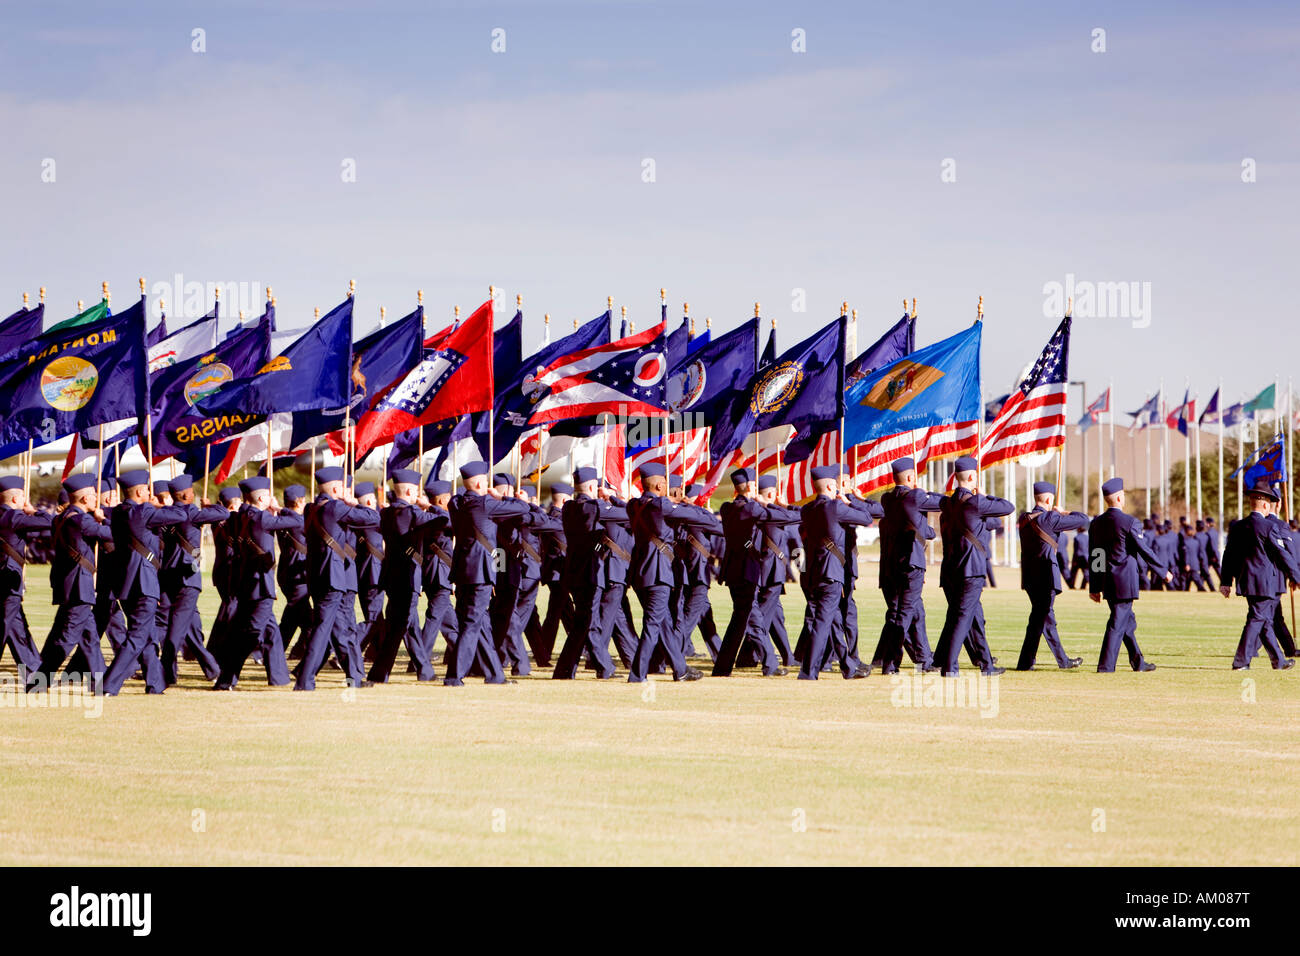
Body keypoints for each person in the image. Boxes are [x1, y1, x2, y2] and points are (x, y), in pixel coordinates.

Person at [100, 470, 191, 696]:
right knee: (138, 637)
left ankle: (155, 684)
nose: (151, 493)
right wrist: (161, 505)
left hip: (126, 583)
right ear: (141, 491)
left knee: (148, 636)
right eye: (148, 490)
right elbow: (180, 516)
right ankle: (108, 685)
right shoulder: (143, 511)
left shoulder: (119, 512)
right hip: (144, 582)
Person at [444, 462, 534, 686]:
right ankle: (454, 676)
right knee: (472, 623)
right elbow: (523, 509)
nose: (488, 485)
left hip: (462, 571)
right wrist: (502, 497)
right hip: (481, 572)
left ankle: (495, 674)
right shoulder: (485, 504)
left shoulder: (455, 503)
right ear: (478, 483)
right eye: (485, 482)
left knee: (480, 622)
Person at [294, 467, 380, 691]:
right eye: (342, 487)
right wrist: (353, 502)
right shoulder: (336, 507)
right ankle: (304, 680)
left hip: (320, 576)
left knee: (343, 629)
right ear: (335, 488)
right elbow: (372, 517)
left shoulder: (310, 508)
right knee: (323, 629)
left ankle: (354, 677)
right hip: (332, 578)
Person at [625, 463, 712, 682]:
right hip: (658, 573)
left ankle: (680, 669)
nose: (666, 486)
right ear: (657, 484)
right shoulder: (660, 504)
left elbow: (654, 506)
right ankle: (637, 675)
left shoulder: (633, 505)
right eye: (664, 482)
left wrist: (672, 501)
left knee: (662, 623)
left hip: (639, 573)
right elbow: (700, 519)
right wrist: (695, 507)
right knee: (653, 624)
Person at [214, 477, 304, 689]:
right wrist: (279, 508)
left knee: (271, 633)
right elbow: (299, 522)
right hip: (260, 585)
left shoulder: (238, 516)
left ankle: (279, 677)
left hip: (245, 583)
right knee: (250, 635)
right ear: (263, 497)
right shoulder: (261, 518)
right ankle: (226, 679)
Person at [28, 475, 114, 691]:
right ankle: (39, 682)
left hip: (70, 583)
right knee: (66, 638)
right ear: (85, 499)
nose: (97, 500)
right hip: (79, 586)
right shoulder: (81, 520)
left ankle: (101, 683)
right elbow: (112, 535)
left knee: (89, 637)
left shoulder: (63, 517)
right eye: (94, 496)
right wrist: (104, 518)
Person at [931, 457, 1014, 677]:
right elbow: (1007, 507)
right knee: (962, 617)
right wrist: (984, 495)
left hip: (950, 569)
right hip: (971, 570)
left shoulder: (947, 504)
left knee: (972, 617)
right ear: (970, 477)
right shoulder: (975, 503)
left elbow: (990, 521)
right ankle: (950, 667)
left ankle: (986, 664)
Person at [796, 465, 878, 680]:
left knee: (832, 622)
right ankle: (808, 672)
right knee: (823, 622)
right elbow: (866, 518)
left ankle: (848, 667)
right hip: (831, 572)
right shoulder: (835, 507)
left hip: (813, 571)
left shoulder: (807, 509)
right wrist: (850, 501)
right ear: (832, 486)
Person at [367, 469, 442, 682]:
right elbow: (443, 520)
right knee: (397, 627)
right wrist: (428, 505)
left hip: (390, 575)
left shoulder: (386, 512)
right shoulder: (411, 513)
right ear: (410, 491)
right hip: (406, 576)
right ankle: (378, 673)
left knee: (408, 625)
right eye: (416, 491)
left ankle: (425, 670)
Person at [1088, 477, 1170, 672]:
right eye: (1123, 494)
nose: (1124, 497)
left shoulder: (1097, 523)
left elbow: (1096, 557)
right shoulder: (1129, 522)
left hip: (1108, 581)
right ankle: (1105, 666)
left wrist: (1095, 586)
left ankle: (1138, 663)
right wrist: (1163, 571)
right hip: (1125, 581)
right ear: (1118, 497)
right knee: (1117, 623)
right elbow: (1144, 550)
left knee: (1127, 623)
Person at [872, 457, 944, 674]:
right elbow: (943, 502)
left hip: (892, 564)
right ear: (911, 477)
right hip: (911, 563)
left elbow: (925, 529)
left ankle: (924, 660)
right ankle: (890, 663)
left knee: (914, 613)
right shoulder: (915, 497)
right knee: (903, 614)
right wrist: (924, 493)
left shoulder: (887, 498)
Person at [157, 474, 229, 685]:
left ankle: (209, 669)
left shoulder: (164, 515)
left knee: (181, 627)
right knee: (176, 630)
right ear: (187, 494)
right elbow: (224, 513)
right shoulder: (192, 513)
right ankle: (172, 673)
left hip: (167, 577)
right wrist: (208, 506)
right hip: (187, 579)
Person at [1219, 481, 1299, 670]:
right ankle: (1240, 662)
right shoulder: (1268, 527)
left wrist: (1225, 581)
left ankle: (1278, 661)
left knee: (1263, 620)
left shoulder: (1238, 526)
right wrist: (1296, 576)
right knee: (1257, 619)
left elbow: (1228, 555)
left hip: (1246, 582)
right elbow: (1283, 554)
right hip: (1265, 583)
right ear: (1265, 505)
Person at [553, 468, 620, 680]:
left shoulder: (568, 507)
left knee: (582, 621)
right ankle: (602, 666)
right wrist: (613, 498)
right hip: (591, 571)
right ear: (592, 487)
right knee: (588, 620)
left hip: (572, 570)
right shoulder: (595, 507)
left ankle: (565, 669)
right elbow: (627, 514)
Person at [1015, 481, 1088, 670]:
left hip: (1030, 577)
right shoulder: (1049, 519)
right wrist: (1062, 512)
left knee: (1042, 618)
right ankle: (1055, 661)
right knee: (1043, 617)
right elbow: (1082, 519)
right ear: (1049, 499)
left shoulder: (1024, 518)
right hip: (1045, 576)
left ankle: (1028, 662)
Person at [0, 476, 51, 680]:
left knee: (17, 628)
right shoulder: (13, 517)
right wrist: (33, 510)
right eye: (23, 497)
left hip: (6, 580)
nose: (24, 501)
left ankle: (35, 672)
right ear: (14, 500)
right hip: (9, 581)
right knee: (5, 626)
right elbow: (48, 522)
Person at [418, 476, 459, 668]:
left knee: (450, 623)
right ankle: (420, 659)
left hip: (435, 571)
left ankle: (461, 654)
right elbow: (452, 522)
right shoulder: (437, 516)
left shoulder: (427, 514)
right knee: (434, 618)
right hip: (439, 572)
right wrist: (430, 507)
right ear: (442, 501)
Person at [275, 485, 313, 659]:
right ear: (299, 502)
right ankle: (269, 651)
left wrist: (276, 507)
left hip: (286, 573)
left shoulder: (281, 518)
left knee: (292, 618)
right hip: (298, 576)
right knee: (310, 622)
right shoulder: (298, 521)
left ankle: (295, 650)